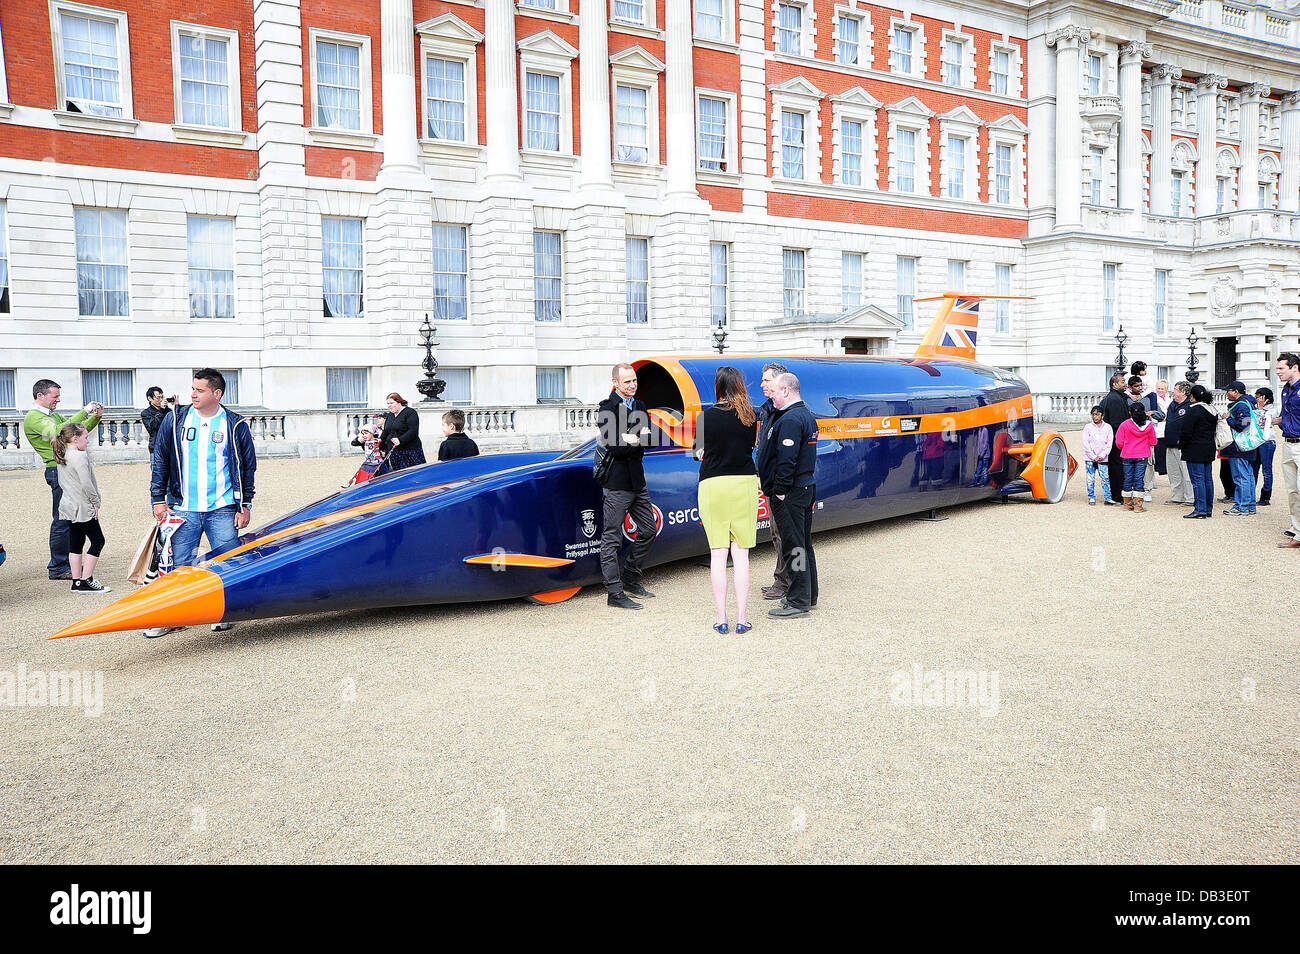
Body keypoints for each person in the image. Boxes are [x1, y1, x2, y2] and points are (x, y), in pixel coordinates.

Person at [147, 369, 257, 638]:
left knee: (226, 564)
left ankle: (221, 614)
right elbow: (160, 459)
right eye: (193, 389)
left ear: (216, 394)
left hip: (222, 508)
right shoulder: (175, 419)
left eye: (200, 390)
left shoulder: (235, 424)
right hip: (184, 508)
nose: (192, 394)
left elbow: (248, 467)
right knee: (180, 566)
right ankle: (174, 617)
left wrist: (246, 504)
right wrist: (158, 499)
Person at [694, 366, 760, 634]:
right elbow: (751, 447)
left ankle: (722, 619)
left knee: (718, 554)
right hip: (743, 483)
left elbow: (699, 452)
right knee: (741, 554)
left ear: (718, 387)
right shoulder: (750, 417)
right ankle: (742, 619)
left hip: (712, 484)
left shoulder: (704, 417)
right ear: (740, 385)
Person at [22, 379, 102, 580]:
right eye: (55, 396)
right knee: (62, 519)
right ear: (40, 396)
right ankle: (58, 566)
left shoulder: (51, 415)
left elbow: (75, 433)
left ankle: (67, 561)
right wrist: (85, 411)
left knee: (72, 517)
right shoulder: (33, 417)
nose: (58, 400)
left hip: (65, 467)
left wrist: (95, 418)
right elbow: (57, 432)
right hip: (57, 469)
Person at [596, 363, 658, 609]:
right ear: (616, 383)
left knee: (649, 530)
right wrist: (636, 437)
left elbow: (652, 439)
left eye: (634, 381)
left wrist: (631, 437)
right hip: (617, 483)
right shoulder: (606, 409)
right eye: (627, 382)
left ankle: (631, 577)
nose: (632, 385)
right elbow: (616, 448)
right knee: (611, 538)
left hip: (637, 481)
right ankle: (614, 592)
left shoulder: (640, 405)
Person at [757, 372, 818, 618]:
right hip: (803, 488)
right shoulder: (804, 415)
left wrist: (779, 491)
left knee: (794, 546)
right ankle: (807, 593)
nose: (771, 394)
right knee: (802, 545)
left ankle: (798, 600)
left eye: (775, 390)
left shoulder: (791, 419)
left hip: (791, 492)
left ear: (786, 391)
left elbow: (787, 461)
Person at [52, 423, 110, 594]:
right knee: (98, 540)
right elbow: (87, 483)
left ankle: (77, 581)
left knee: (76, 542)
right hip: (82, 506)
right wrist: (96, 501)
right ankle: (86, 579)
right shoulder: (80, 456)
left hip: (69, 505)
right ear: (75, 439)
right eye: (86, 437)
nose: (88, 441)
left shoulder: (63, 455)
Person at [755, 362, 790, 600]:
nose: (762, 384)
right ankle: (782, 579)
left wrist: (780, 488)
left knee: (784, 534)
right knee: (776, 533)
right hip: (770, 483)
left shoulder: (788, 413)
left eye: (766, 380)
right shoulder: (767, 409)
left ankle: (787, 582)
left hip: (782, 487)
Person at [1179, 384, 1219, 518]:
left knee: (1197, 480)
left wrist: (1181, 444)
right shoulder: (1212, 409)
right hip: (1208, 447)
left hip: (1194, 448)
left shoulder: (1194, 410)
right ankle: (1207, 508)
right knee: (1207, 479)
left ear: (1193, 396)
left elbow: (1186, 431)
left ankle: (1200, 509)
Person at [1220, 380, 1259, 516]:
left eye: (1229, 390)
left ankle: (1242, 506)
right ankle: (1250, 505)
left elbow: (1243, 425)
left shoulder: (1241, 405)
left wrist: (1227, 419)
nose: (1226, 393)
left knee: (1240, 477)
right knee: (1248, 475)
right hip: (1246, 445)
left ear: (1236, 392)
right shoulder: (1249, 403)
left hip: (1238, 446)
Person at [1273, 353, 1300, 548]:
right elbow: (1287, 416)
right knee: (1292, 491)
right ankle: (1298, 533)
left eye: (1281, 368)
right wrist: (1274, 421)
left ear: (1294, 367)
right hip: (1288, 444)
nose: (1278, 372)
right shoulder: (1285, 390)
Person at [1115, 404, 1157, 511]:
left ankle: (1127, 504)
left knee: (1128, 478)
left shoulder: (1124, 425)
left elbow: (1119, 442)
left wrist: (1125, 447)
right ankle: (1138, 505)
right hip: (1142, 455)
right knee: (1139, 479)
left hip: (1127, 454)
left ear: (1130, 412)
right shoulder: (1149, 425)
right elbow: (1153, 441)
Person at [1126, 374, 1161, 503]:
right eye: (1136, 386)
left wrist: (1152, 413)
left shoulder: (1150, 397)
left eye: (1141, 385)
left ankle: (1147, 490)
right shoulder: (1126, 398)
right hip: (1131, 437)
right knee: (1131, 467)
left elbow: (1161, 413)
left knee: (1148, 466)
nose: (1140, 388)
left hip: (1146, 434)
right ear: (1130, 387)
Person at [1099, 373, 1130, 506]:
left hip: (1113, 438)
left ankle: (1116, 493)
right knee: (1117, 467)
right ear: (1114, 384)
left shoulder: (1114, 397)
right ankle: (1118, 495)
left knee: (1115, 466)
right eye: (1122, 381)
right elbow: (1118, 423)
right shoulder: (1115, 399)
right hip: (1116, 438)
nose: (1125, 383)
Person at [1163, 381, 1194, 506]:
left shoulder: (1189, 406)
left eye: (1175, 389)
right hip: (1170, 443)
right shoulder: (1172, 405)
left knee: (1186, 473)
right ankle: (1177, 496)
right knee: (1173, 473)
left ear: (1183, 392)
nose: (1173, 392)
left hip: (1183, 445)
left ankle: (1190, 498)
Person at [378, 393, 426, 472]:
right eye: (388, 403)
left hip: (410, 450)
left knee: (414, 473)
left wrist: (400, 440)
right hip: (394, 451)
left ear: (399, 402)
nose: (389, 405)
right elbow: (386, 431)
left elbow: (413, 431)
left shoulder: (410, 412)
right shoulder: (390, 415)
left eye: (391, 403)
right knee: (398, 474)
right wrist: (380, 440)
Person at [1081, 405, 1114, 505]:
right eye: (1093, 415)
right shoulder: (1088, 427)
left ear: (1102, 415)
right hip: (1090, 458)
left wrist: (1103, 455)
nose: (1095, 417)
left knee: (1105, 478)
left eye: (1097, 414)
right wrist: (1093, 456)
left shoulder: (1108, 427)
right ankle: (1091, 497)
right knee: (1090, 478)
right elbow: (1085, 443)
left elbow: (1109, 443)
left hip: (1103, 458)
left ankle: (1108, 497)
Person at [1254, 387, 1277, 507]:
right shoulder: (1256, 407)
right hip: (1256, 441)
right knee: (1254, 468)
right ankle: (1250, 495)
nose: (1257, 399)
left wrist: (1260, 408)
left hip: (1267, 441)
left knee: (1266, 470)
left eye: (1259, 397)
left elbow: (1262, 422)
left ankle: (1266, 496)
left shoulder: (1272, 409)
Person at [1152, 378, 1173, 477]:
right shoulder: (1154, 398)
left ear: (1166, 389)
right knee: (1156, 453)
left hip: (1167, 427)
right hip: (1157, 427)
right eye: (1158, 388)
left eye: (1162, 389)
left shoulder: (1169, 399)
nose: (1160, 391)